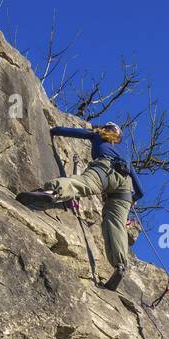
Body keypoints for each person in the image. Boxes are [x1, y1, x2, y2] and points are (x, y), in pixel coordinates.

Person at [40, 121, 144, 290]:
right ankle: (119, 264)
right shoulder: (125, 151)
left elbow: (71, 131)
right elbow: (140, 190)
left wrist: (53, 130)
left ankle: (52, 192)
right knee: (116, 224)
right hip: (124, 185)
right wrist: (132, 200)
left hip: (105, 169)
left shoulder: (97, 134)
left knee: (83, 184)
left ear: (106, 129)